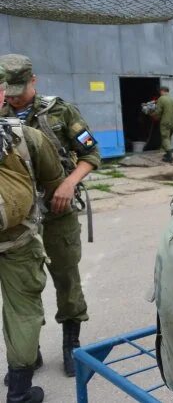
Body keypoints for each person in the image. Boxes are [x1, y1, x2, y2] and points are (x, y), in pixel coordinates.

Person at [0, 54, 100, 378]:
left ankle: (72, 344)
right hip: (19, 223)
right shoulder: (1, 114)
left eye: (19, 88)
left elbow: (90, 153)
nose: (13, 96)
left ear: (34, 80)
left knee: (66, 280)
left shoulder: (60, 111)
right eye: (7, 89)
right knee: (23, 289)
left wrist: (69, 184)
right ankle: (29, 351)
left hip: (58, 212)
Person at [0, 65, 66, 403]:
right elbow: (53, 180)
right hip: (17, 241)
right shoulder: (23, 135)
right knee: (22, 310)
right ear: (1, 96)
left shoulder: (58, 111)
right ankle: (20, 391)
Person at [154, 86, 173, 163]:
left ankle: (169, 157)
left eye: (160, 91)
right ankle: (167, 154)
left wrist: (152, 114)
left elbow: (158, 111)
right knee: (169, 137)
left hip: (165, 121)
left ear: (162, 91)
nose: (159, 92)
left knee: (165, 138)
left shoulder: (161, 98)